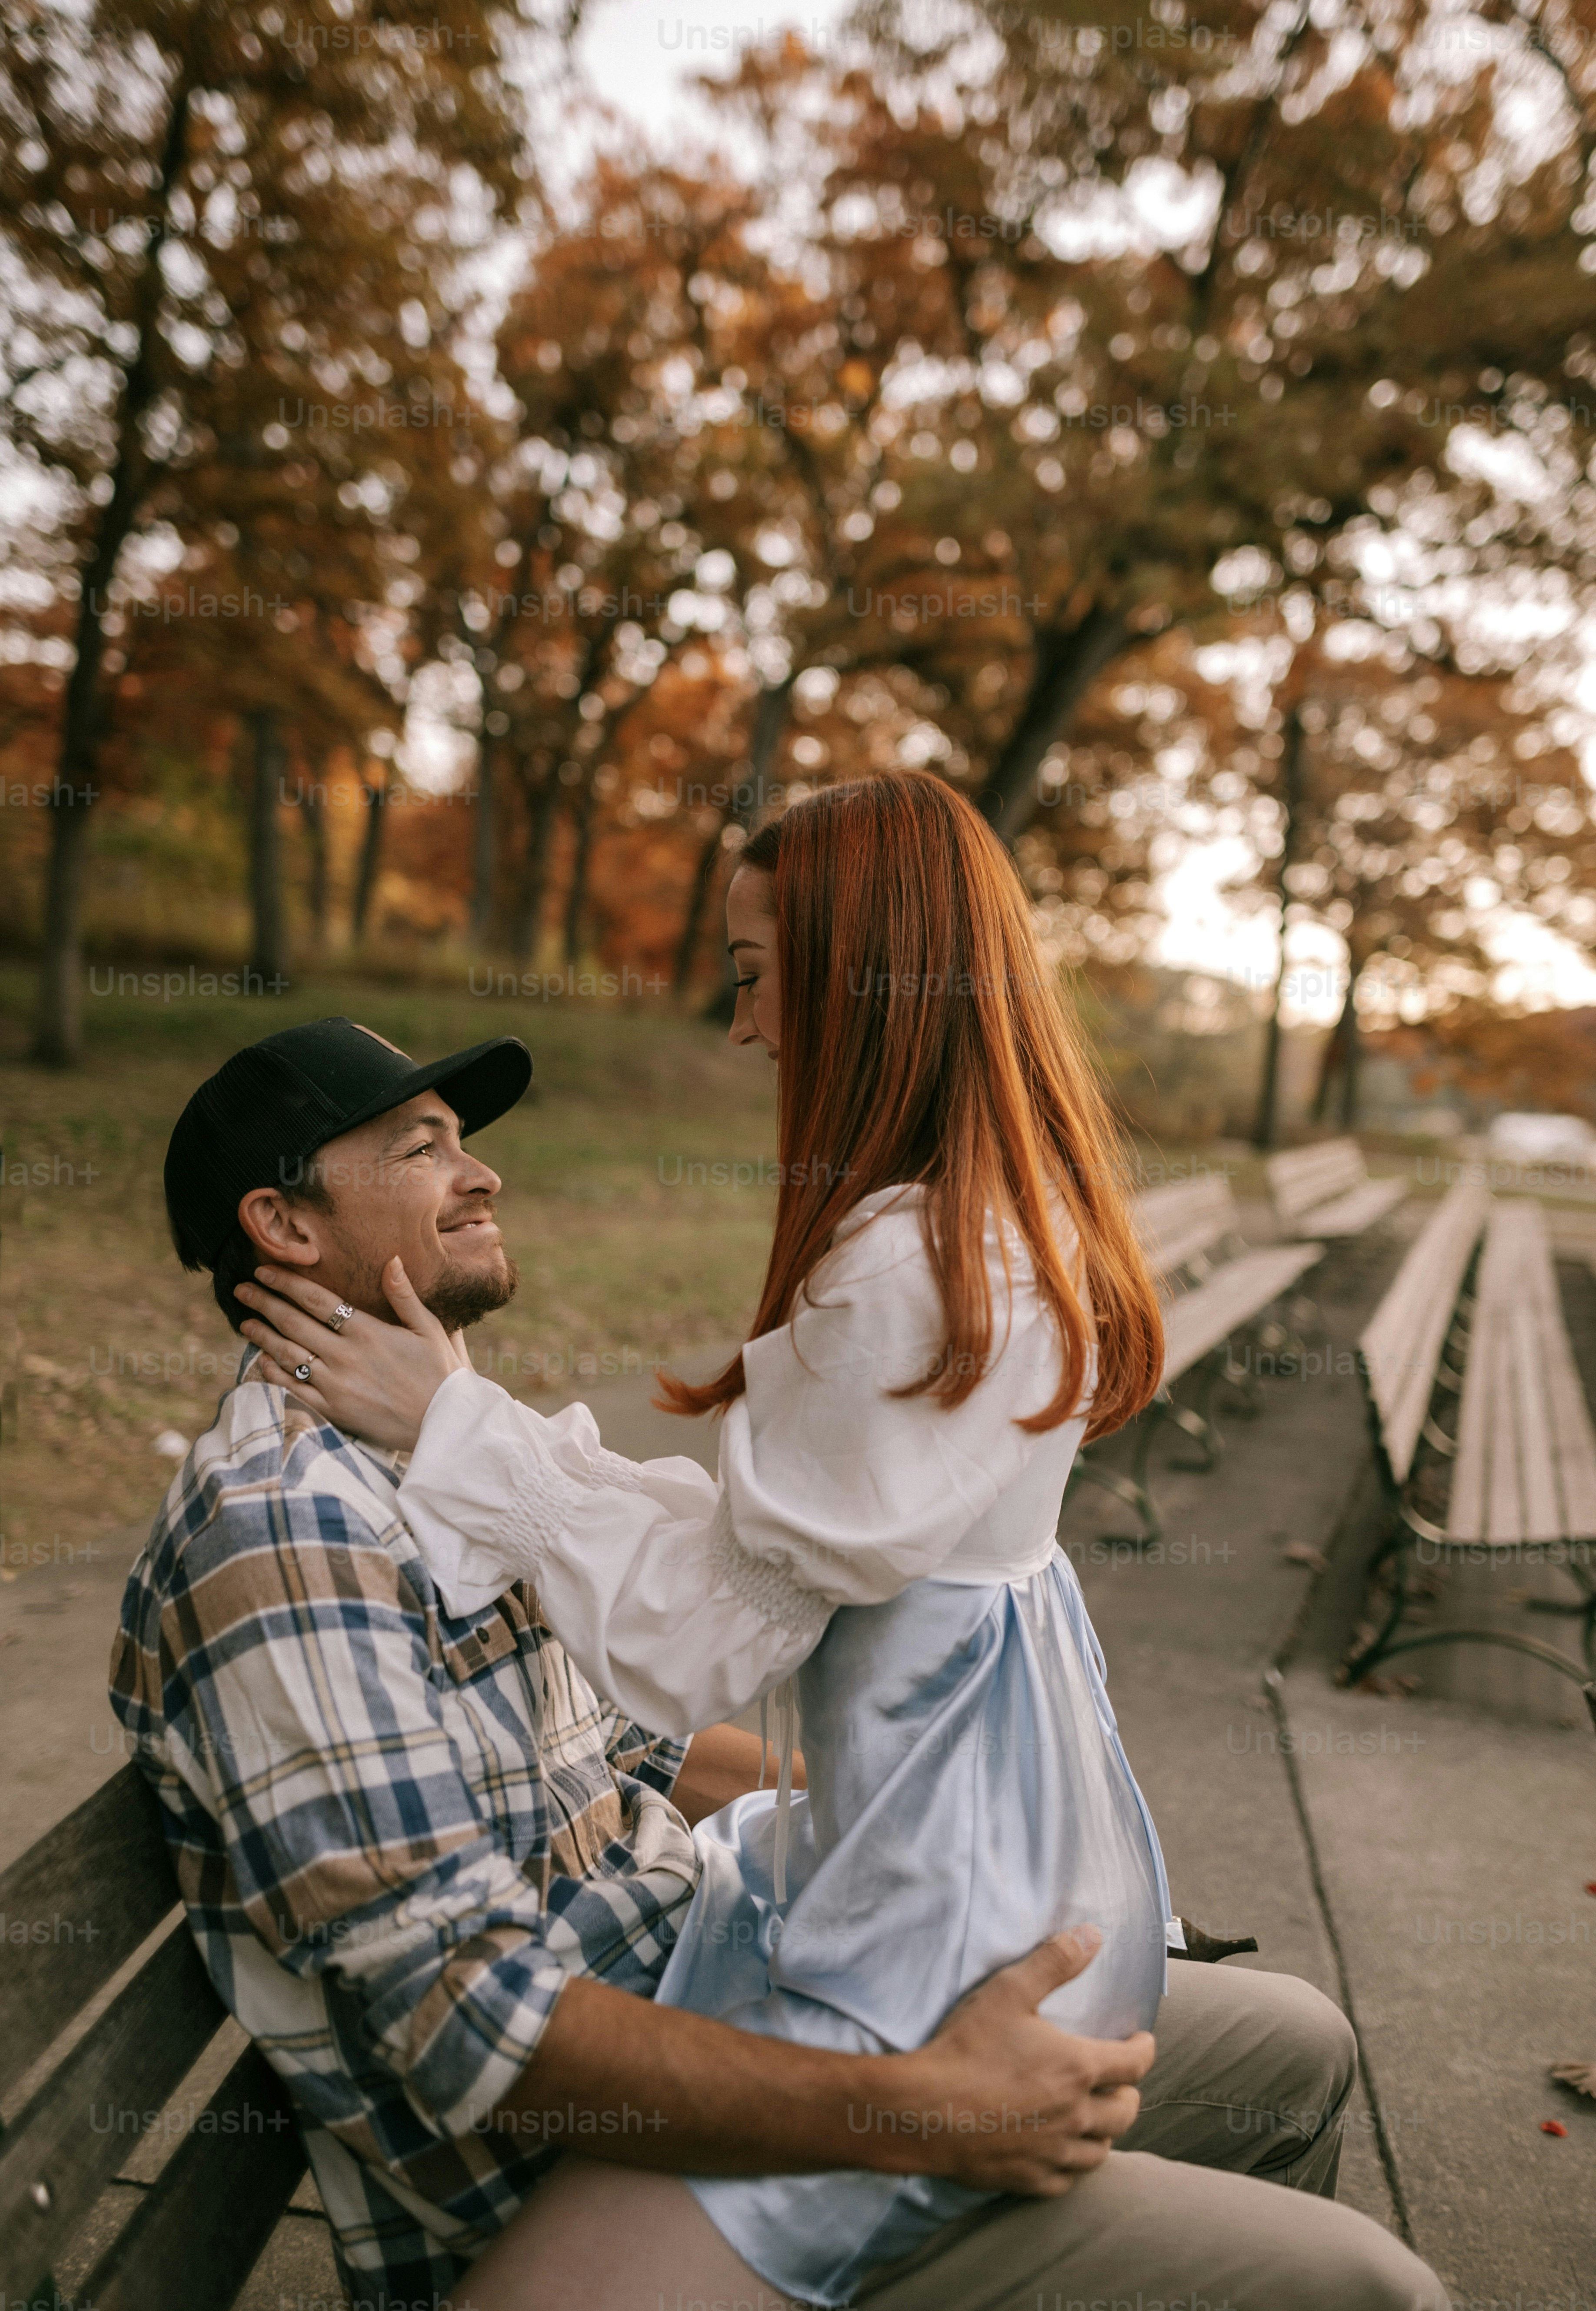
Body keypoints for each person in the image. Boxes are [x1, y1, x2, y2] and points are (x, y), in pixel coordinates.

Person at [234, 785, 1450, 2311]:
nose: (743, 1028)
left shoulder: (915, 1268)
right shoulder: (981, 1223)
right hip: (977, 1865)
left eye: (751, 974)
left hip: (922, 1936)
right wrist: (483, 1434)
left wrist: (468, 1439)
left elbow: (715, 1634)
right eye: (426, 1147)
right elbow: (772, 1551)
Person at [110, 1014, 1164, 2311]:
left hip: (749, 1979)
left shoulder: (408, 1450)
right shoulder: (281, 1533)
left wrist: (933, 1868)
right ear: (284, 1226)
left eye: (468, 1143)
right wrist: (927, 2108)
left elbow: (624, 1746)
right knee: (1338, 2265)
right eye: (421, 1147)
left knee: (1274, 2041)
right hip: (672, 2147)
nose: (483, 1171)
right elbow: (467, 2017)